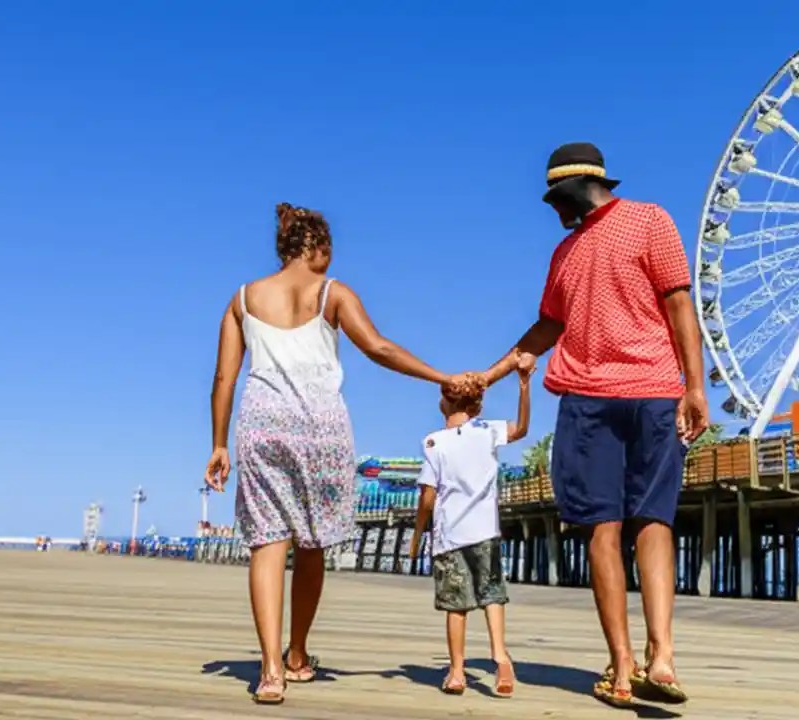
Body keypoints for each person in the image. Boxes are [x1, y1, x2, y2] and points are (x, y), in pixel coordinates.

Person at [465, 142, 709, 707]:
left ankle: (623, 669)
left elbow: (547, 329)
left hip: (591, 401)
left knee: (603, 527)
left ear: (570, 191)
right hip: (654, 393)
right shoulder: (652, 221)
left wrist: (490, 374)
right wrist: (693, 387)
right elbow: (676, 308)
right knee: (653, 521)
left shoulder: (569, 252)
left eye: (554, 202)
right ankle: (662, 657)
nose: (554, 213)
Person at [205, 202, 458, 705]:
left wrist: (217, 443)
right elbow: (380, 348)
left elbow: (223, 378)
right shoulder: (332, 293)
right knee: (314, 542)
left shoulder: (243, 298)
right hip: (322, 429)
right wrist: (441, 377)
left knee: (268, 544)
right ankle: (298, 655)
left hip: (262, 426)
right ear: (317, 247)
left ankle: (271, 671)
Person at [410, 352, 535, 698]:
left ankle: (456, 671)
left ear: (447, 401)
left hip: (450, 537)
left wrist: (417, 534)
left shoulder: (433, 442)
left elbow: (428, 497)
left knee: (456, 605)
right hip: (486, 532)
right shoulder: (488, 431)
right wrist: (524, 386)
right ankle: (500, 656)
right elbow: (521, 429)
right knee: (492, 595)